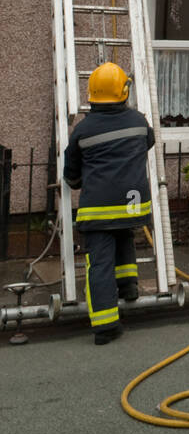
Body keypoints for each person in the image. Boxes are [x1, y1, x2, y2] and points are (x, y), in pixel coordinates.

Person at [63, 62, 154, 345]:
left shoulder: (82, 130)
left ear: (92, 95)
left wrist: (76, 181)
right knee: (125, 233)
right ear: (124, 93)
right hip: (134, 206)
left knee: (99, 263)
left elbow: (71, 174)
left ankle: (105, 326)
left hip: (98, 209)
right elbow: (148, 142)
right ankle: (128, 287)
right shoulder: (139, 121)